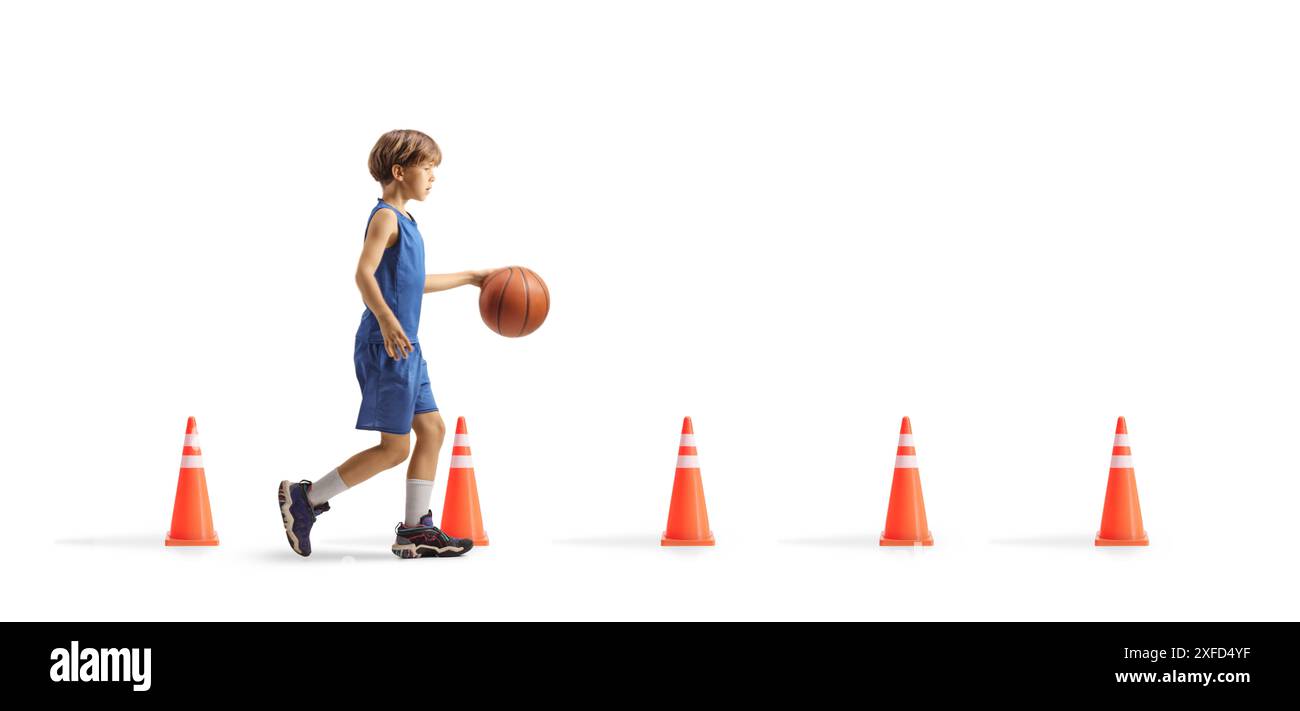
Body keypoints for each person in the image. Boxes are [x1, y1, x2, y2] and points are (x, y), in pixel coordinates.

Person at [278, 129, 494, 559]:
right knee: (395, 449)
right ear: (400, 171)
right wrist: (387, 320)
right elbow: (363, 273)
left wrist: (471, 277)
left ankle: (415, 530)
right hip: (387, 344)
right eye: (427, 167)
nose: (434, 176)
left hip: (407, 345)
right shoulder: (385, 217)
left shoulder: (409, 221)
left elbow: (412, 284)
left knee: (431, 429)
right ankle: (306, 499)